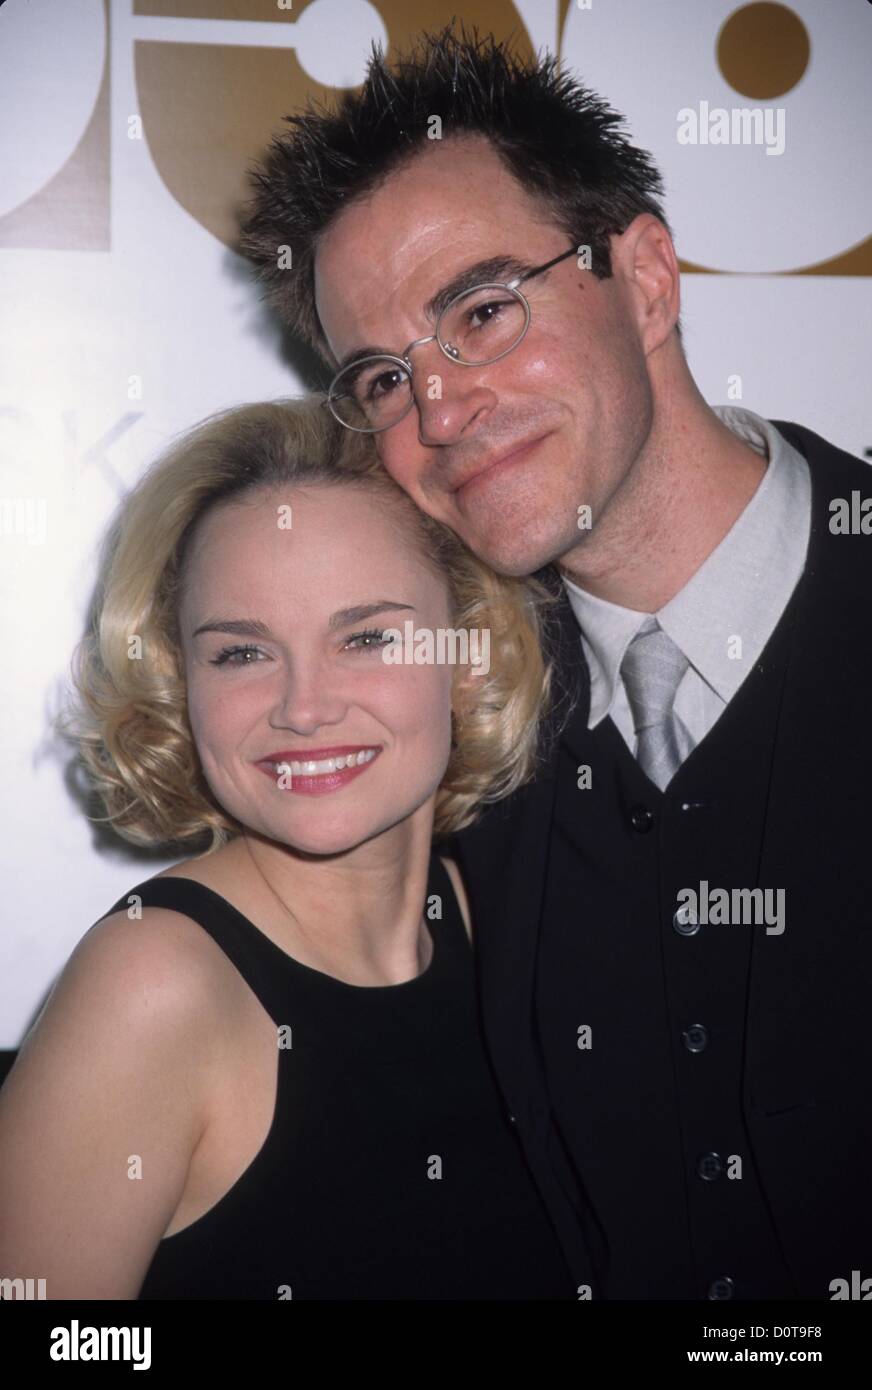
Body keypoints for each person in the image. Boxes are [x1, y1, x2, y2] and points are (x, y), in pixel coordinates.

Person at [236, 27, 872, 1300]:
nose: (438, 410)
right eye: (379, 375)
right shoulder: (442, 726)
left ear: (642, 279)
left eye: (480, 309)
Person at [0, 398, 582, 1300]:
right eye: (240, 654)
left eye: (366, 637)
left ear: (467, 657)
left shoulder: (506, 920)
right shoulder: (153, 985)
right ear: (180, 681)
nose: (303, 708)